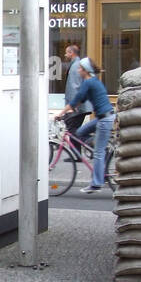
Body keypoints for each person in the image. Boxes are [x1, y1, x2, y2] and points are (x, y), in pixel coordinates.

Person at [55, 56, 115, 195]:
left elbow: (76, 99)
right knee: (80, 132)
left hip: (104, 120)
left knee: (98, 153)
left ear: (86, 70)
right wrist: (76, 107)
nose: (79, 70)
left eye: (81, 68)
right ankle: (96, 144)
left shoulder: (89, 82)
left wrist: (61, 113)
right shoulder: (93, 81)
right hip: (103, 117)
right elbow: (82, 99)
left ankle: (96, 184)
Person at [61, 43, 89, 138]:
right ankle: (76, 152)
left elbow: (74, 87)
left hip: (78, 107)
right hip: (81, 106)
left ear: (71, 53)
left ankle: (89, 144)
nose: (65, 55)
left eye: (66, 53)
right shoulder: (77, 65)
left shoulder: (75, 67)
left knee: (73, 131)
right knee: (75, 131)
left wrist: (72, 107)